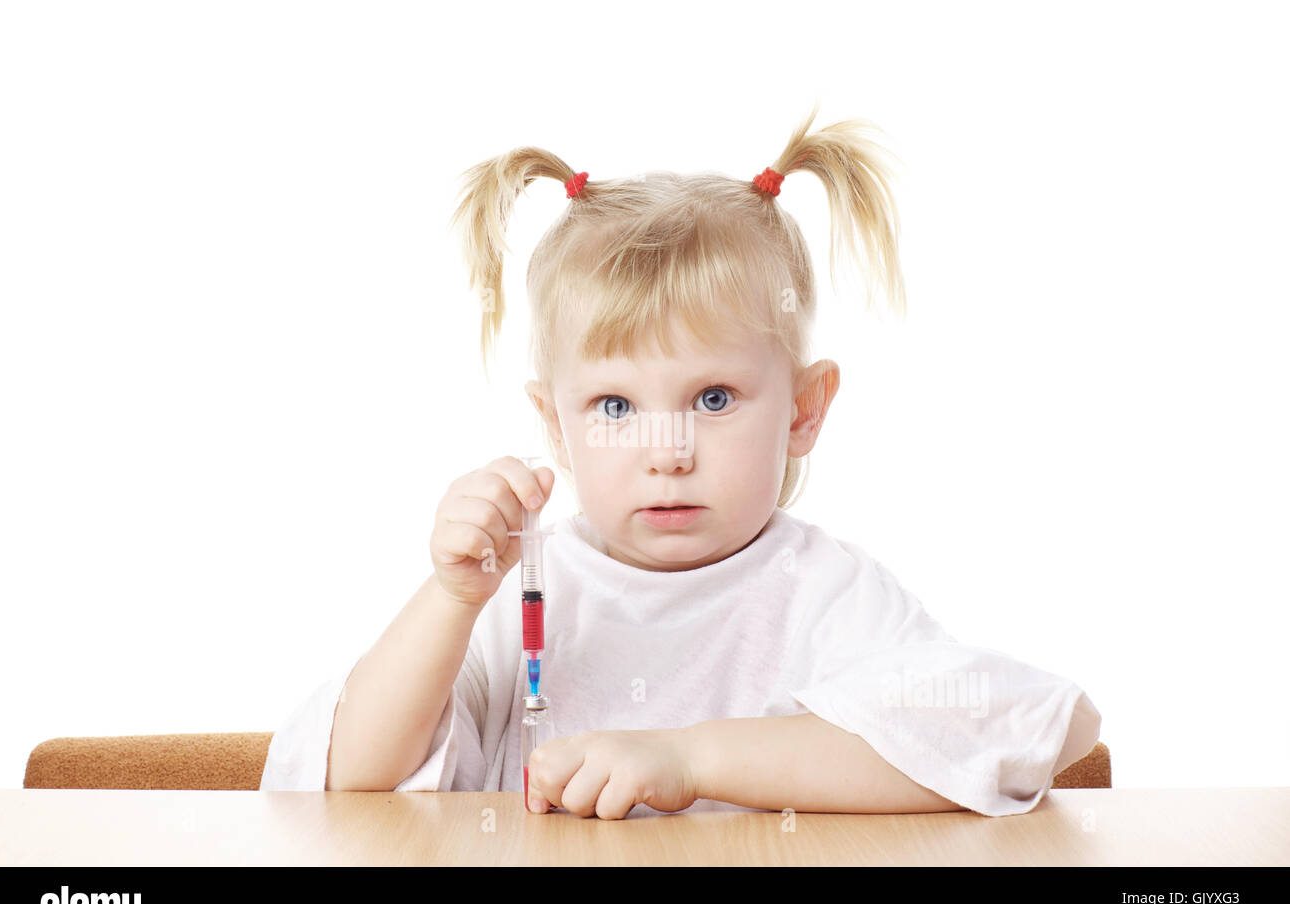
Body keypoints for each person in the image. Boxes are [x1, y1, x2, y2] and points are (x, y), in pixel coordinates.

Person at [259, 104, 1101, 819]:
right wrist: (450, 598)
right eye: (615, 407)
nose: (668, 454)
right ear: (555, 424)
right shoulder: (519, 587)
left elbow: (1037, 727)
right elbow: (339, 787)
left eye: (713, 399)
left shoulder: (822, 593)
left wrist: (690, 761)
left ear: (804, 409)